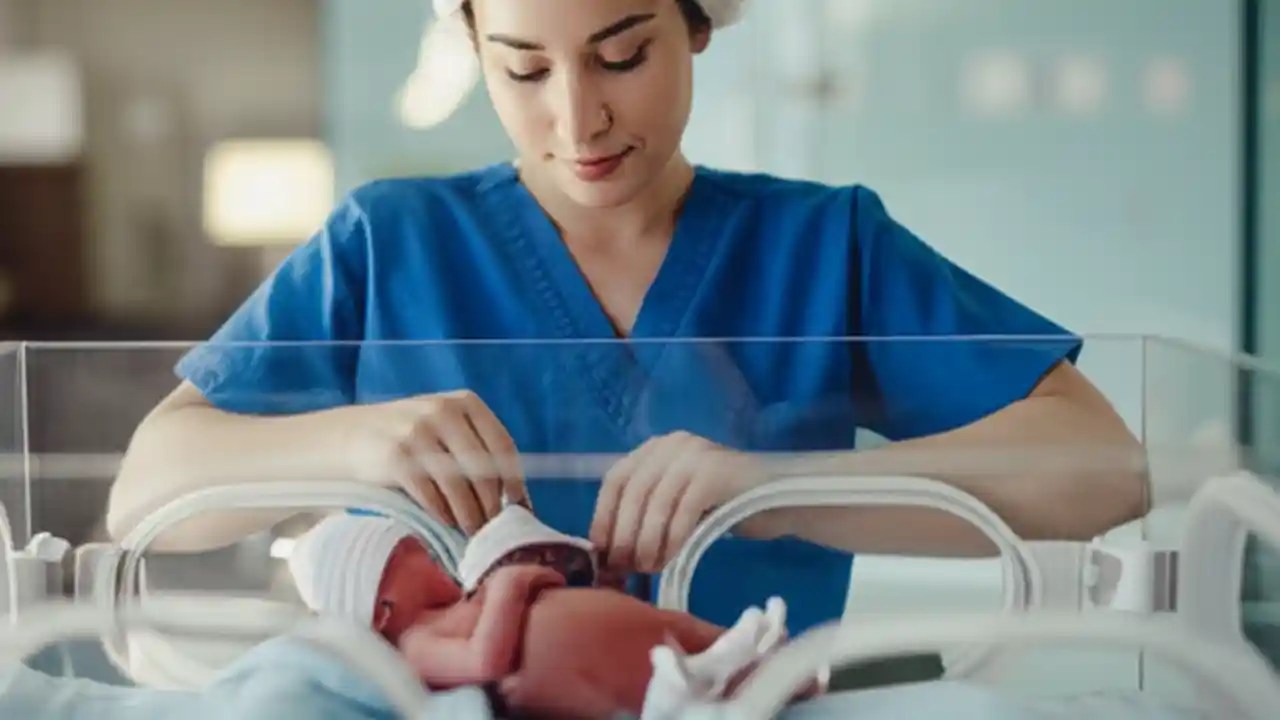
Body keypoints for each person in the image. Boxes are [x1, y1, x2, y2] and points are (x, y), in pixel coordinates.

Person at [106, 0, 1146, 635]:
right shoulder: (389, 242)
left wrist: (774, 493)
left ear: (697, 21)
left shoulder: (823, 249)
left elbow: (1098, 467)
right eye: (521, 68)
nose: (576, 118)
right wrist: (356, 446)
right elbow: (146, 495)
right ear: (468, 40)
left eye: (620, 56)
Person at [285, 510, 808, 719]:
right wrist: (509, 588)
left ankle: (768, 664)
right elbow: (485, 662)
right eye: (413, 554)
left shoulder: (463, 601)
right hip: (599, 680)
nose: (432, 553)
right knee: (667, 676)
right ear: (382, 610)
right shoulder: (416, 645)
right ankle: (731, 683)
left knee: (685, 636)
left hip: (624, 636)